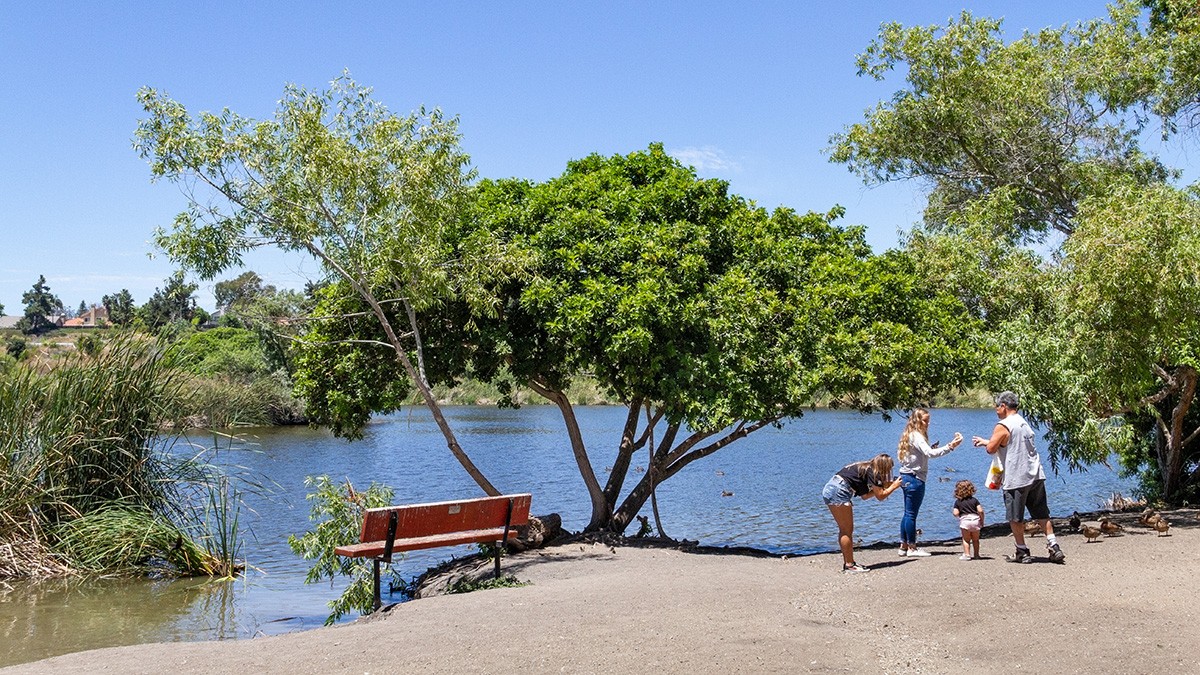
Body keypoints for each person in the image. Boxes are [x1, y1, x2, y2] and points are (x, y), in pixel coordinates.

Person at [971, 391, 1066, 564]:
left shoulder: (1003, 425)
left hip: (1017, 477)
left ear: (1004, 406)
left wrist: (988, 443)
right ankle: (1054, 546)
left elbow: (992, 449)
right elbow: (1011, 443)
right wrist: (987, 441)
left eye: (997, 406)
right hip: (1036, 474)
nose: (995, 410)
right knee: (1042, 513)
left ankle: (1022, 550)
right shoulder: (1023, 423)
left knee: (1015, 517)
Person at [896, 409, 963, 557]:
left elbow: (923, 453)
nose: (928, 423)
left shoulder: (910, 435)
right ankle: (912, 548)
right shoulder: (917, 436)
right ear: (918, 421)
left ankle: (903, 546)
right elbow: (930, 453)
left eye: (928, 420)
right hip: (915, 478)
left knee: (907, 513)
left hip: (906, 476)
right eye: (925, 420)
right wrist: (950, 446)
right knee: (911, 514)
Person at [821, 454, 903, 573]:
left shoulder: (865, 467)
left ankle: (849, 563)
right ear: (884, 467)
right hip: (839, 492)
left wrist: (884, 487)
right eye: (889, 468)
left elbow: (865, 496)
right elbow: (881, 496)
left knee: (845, 529)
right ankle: (849, 565)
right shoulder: (874, 472)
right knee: (846, 530)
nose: (889, 471)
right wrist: (894, 486)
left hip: (832, 488)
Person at [952, 479, 984, 560]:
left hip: (965, 521)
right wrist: (982, 520)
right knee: (976, 539)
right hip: (975, 520)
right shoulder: (975, 500)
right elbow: (980, 510)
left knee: (966, 539)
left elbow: (955, 513)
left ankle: (967, 554)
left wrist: (958, 514)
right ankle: (976, 555)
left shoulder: (958, 502)